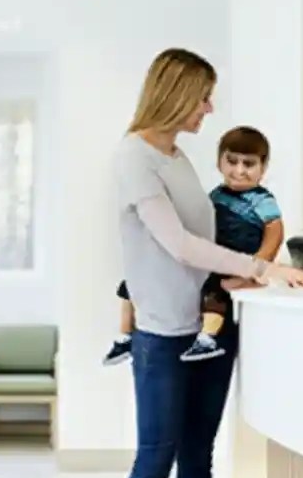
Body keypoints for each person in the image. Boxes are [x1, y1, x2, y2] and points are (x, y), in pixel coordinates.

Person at [107, 47, 303, 478]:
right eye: (204, 96)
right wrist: (264, 267)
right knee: (154, 464)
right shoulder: (134, 158)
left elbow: (203, 245)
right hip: (160, 334)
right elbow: (175, 245)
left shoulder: (178, 159)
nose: (210, 108)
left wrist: (245, 277)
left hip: (210, 337)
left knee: (198, 459)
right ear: (177, 93)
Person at [103, 126, 283, 365]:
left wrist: (259, 265)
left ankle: (208, 338)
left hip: (234, 265)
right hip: (208, 260)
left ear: (263, 168)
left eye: (248, 164)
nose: (239, 171)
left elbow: (275, 232)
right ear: (219, 162)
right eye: (232, 161)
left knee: (214, 293)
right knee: (131, 284)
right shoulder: (215, 195)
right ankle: (125, 336)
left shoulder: (263, 201)